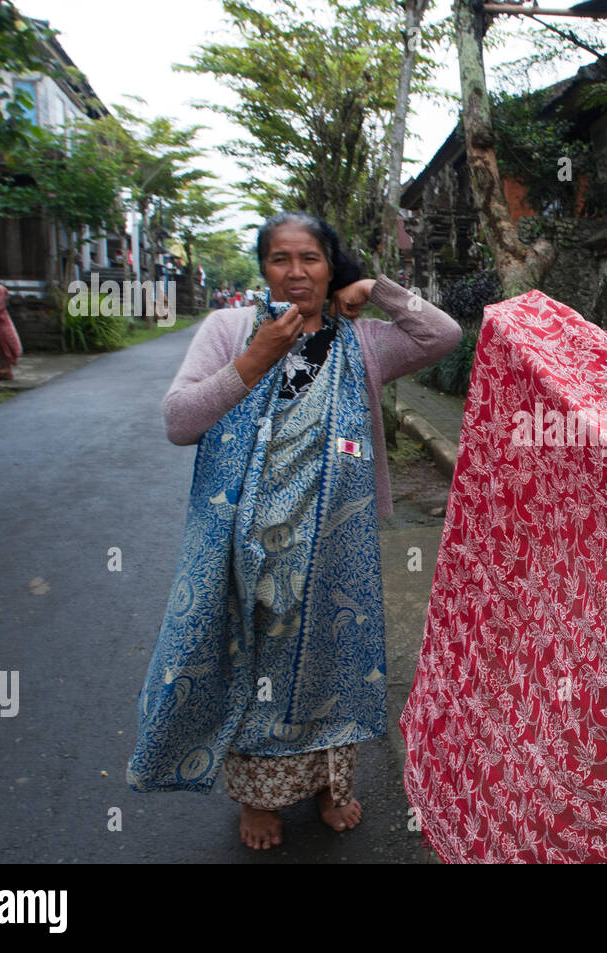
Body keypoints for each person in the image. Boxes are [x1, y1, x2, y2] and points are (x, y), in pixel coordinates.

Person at [127, 210, 462, 850]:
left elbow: (441, 334)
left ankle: (329, 787)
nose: (296, 272)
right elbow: (178, 421)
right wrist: (253, 361)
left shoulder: (359, 341)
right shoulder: (229, 329)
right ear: (263, 268)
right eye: (281, 258)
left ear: (330, 265)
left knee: (332, 662)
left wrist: (380, 291)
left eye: (310, 258)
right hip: (243, 543)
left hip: (336, 542)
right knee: (255, 665)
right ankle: (257, 802)